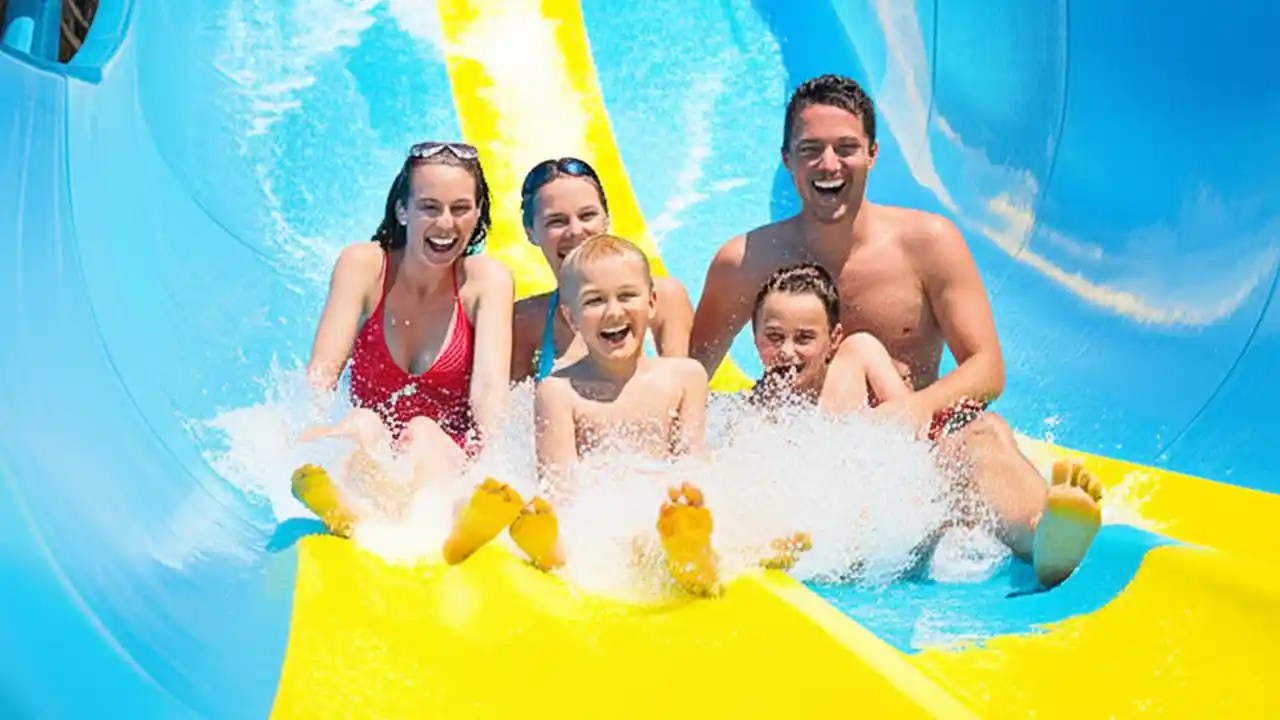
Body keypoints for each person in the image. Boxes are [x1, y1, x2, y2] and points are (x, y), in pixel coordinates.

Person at [689, 74, 1102, 588]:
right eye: (810, 149)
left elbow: (987, 368)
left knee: (984, 437)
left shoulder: (927, 244)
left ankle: (1044, 536)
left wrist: (916, 408)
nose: (828, 165)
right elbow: (688, 377)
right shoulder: (745, 261)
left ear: (873, 153)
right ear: (786, 159)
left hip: (912, 462)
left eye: (846, 148)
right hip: (802, 462)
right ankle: (715, 541)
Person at [441, 233, 722, 596]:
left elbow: (692, 460)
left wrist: (686, 502)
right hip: (594, 517)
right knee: (562, 521)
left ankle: (691, 551)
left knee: (699, 518)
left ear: (652, 302)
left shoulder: (685, 377)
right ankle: (543, 545)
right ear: (572, 319)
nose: (614, 311)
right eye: (594, 301)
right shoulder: (559, 391)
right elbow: (560, 484)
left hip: (662, 513)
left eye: (627, 295)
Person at [290, 141, 515, 538]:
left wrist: (495, 467)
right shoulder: (364, 266)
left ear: (478, 212)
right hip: (373, 452)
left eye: (461, 208)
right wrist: (306, 430)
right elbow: (322, 375)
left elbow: (490, 392)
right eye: (430, 206)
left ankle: (427, 517)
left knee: (424, 431)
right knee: (362, 422)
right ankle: (345, 503)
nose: (447, 223)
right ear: (402, 210)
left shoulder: (485, 282)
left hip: (442, 456)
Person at [509, 157, 694, 383]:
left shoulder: (664, 298)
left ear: (606, 219)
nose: (576, 231)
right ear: (530, 232)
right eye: (556, 222)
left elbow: (683, 393)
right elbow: (507, 411)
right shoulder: (526, 320)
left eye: (587, 215)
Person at [747, 262, 910, 415]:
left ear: (834, 339)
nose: (787, 351)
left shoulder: (858, 358)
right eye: (774, 336)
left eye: (804, 338)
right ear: (755, 335)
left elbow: (909, 418)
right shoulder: (755, 411)